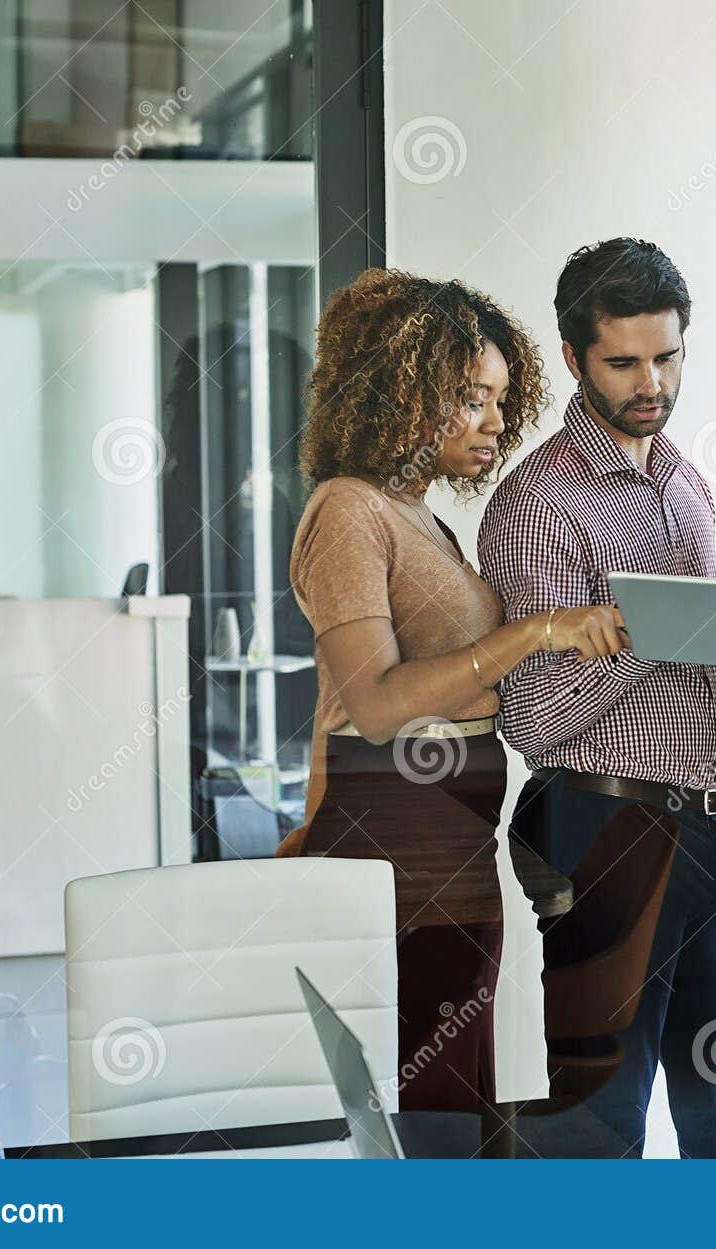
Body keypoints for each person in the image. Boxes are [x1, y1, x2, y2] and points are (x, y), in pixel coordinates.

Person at [274, 268, 628, 1114]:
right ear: (402, 390)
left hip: (456, 847)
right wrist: (537, 630)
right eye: (473, 397)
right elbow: (379, 704)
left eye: (502, 400)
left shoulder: (420, 514)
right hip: (394, 847)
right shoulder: (347, 512)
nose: (497, 423)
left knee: (457, 1096)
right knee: (419, 1105)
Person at [479, 238, 716, 1158]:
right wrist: (649, 633)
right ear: (573, 358)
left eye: (669, 355)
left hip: (711, 830)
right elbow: (530, 718)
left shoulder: (686, 481)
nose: (653, 381)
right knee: (598, 1124)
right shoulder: (538, 504)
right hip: (604, 835)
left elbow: (703, 673)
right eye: (624, 361)